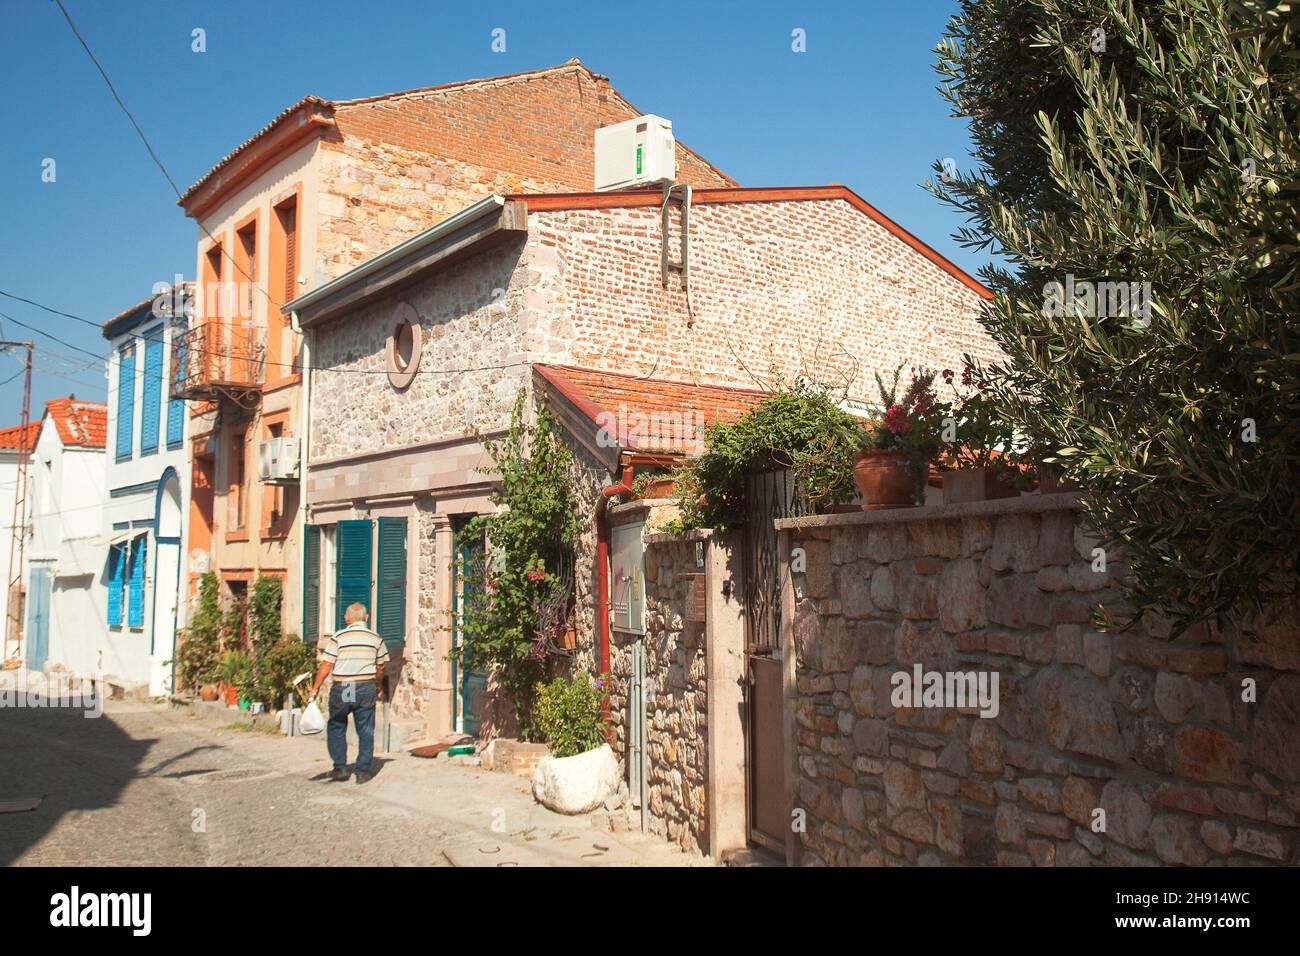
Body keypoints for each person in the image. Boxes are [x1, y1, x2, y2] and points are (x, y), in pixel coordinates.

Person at [307, 602, 389, 784]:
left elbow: (327, 664)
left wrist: (315, 688)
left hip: (345, 687)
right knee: (366, 729)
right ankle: (362, 771)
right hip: (365, 687)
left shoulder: (338, 637)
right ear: (366, 618)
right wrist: (378, 686)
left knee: (337, 725)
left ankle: (340, 767)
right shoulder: (376, 638)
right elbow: (380, 667)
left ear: (347, 619)